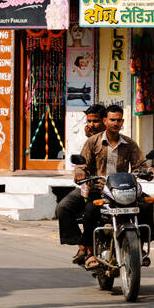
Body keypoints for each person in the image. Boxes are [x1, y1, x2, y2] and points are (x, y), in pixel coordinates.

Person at [79, 105, 154, 270]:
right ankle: (89, 253)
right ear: (105, 121)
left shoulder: (129, 144)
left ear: (122, 122)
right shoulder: (93, 142)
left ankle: (141, 248)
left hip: (124, 189)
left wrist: (149, 171)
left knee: (147, 205)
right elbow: (82, 165)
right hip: (100, 190)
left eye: (118, 120)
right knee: (89, 212)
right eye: (112, 120)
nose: (115, 123)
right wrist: (80, 174)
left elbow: (139, 166)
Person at [56, 103, 106, 265]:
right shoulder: (81, 139)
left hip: (110, 189)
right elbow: (76, 163)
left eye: (95, 121)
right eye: (89, 121)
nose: (91, 125)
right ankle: (82, 245)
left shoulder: (114, 138)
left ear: (105, 121)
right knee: (63, 207)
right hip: (87, 187)